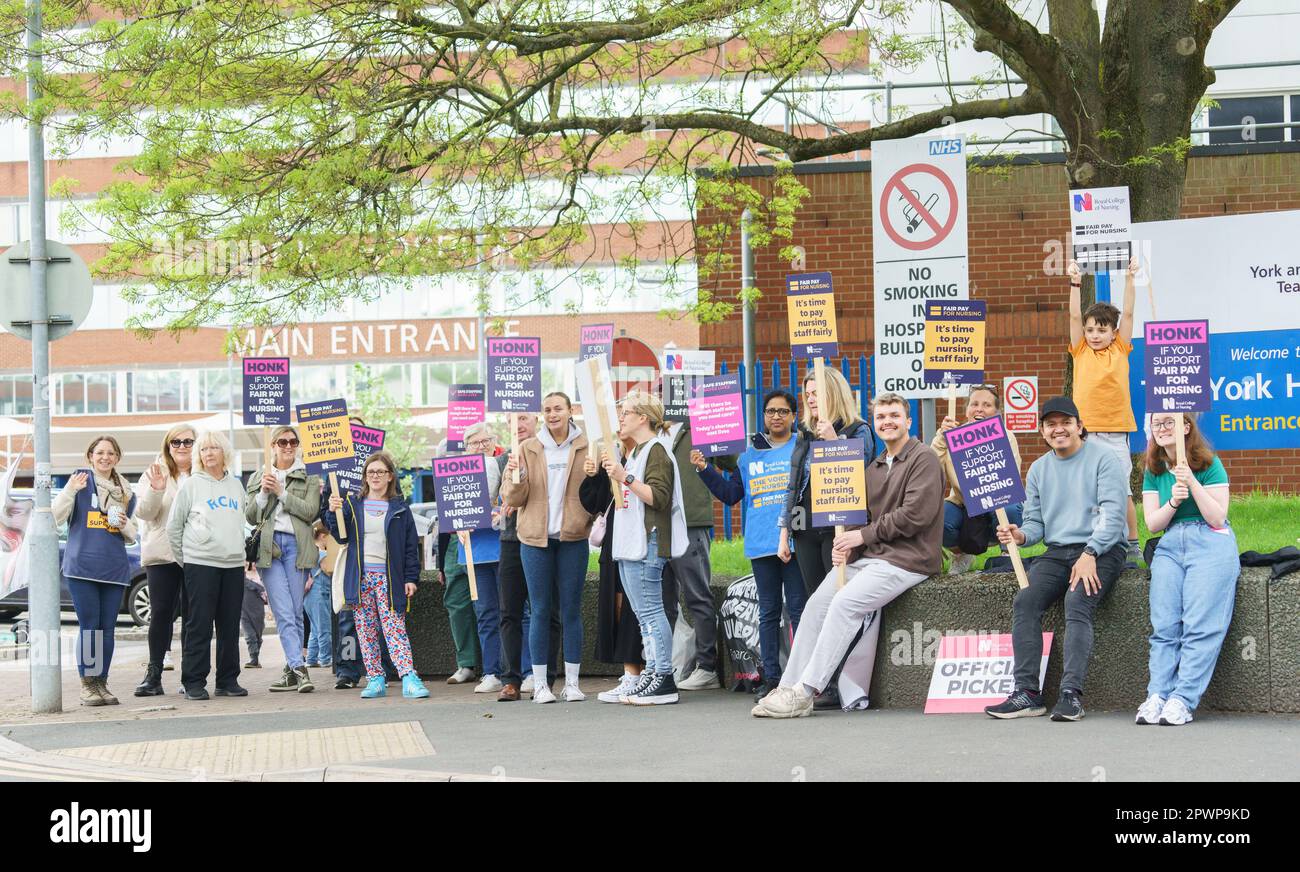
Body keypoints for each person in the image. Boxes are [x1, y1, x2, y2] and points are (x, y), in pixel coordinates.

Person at [753, 393, 942, 719]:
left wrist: (862, 536)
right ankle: (789, 685)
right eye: (881, 417)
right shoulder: (875, 467)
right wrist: (849, 546)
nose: (887, 422)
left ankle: (806, 691)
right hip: (873, 559)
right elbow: (860, 519)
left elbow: (915, 515)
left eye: (894, 415)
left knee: (844, 603)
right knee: (817, 604)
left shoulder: (923, 458)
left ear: (908, 421)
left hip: (909, 561)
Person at [986, 396, 1129, 722]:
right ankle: (1027, 694)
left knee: (1076, 601)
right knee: (1025, 602)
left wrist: (1091, 552)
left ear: (1080, 426)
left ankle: (1070, 695)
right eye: (1051, 424)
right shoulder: (1038, 469)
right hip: (1057, 551)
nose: (1059, 429)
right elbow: (1036, 524)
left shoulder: (1104, 459)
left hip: (1102, 549)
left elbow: (1113, 514)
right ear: (1042, 431)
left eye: (1066, 422)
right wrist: (1019, 535)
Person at [692, 389, 807, 696]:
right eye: (771, 411)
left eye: (783, 411)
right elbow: (731, 496)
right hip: (760, 543)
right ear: (764, 416)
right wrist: (705, 470)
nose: (777, 417)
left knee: (799, 610)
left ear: (794, 416)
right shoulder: (749, 454)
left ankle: (802, 678)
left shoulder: (803, 446)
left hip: (795, 542)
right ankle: (771, 677)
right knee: (767, 612)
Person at [1136, 413, 1237, 726]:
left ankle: (1183, 698)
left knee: (1200, 625)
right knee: (1164, 626)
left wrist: (1190, 481)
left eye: (1170, 422)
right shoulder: (1152, 469)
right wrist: (1173, 502)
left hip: (1210, 541)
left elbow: (1217, 517)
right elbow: (1152, 524)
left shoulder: (1209, 463)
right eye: (1157, 424)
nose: (1163, 429)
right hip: (1170, 544)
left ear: (1186, 427)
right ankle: (1158, 694)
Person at [502, 391, 598, 703]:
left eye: (558, 408)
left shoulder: (587, 447)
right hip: (534, 540)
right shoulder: (527, 448)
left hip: (573, 537)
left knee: (571, 610)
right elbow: (512, 500)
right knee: (540, 609)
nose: (553, 414)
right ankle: (540, 684)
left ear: (571, 411)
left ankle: (572, 683)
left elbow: (601, 495)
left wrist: (596, 474)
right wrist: (516, 477)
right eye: (547, 410)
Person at [603, 390, 688, 705]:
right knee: (642, 613)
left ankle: (663, 677)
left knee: (650, 610)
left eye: (625, 412)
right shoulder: (638, 451)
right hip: (632, 541)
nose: (620, 418)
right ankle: (653, 671)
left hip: (648, 540)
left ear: (643, 417)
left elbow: (659, 497)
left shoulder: (656, 450)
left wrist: (624, 478)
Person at [323, 451, 430, 699]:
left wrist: (411, 578)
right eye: (371, 472)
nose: (375, 476)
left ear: (390, 476)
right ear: (365, 477)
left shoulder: (400, 509)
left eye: (380, 472)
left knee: (394, 629)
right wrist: (332, 511)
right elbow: (341, 536)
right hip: (360, 578)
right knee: (365, 629)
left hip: (389, 579)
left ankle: (409, 677)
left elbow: (410, 547)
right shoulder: (353, 504)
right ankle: (375, 679)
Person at [55, 436, 139, 706]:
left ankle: (102, 683)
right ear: (90, 455)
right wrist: (69, 490)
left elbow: (132, 535)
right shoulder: (79, 480)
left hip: (114, 569)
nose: (105, 457)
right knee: (90, 628)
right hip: (82, 568)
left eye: (111, 453)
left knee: (108, 629)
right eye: (100, 452)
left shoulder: (126, 491)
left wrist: (125, 524)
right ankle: (87, 685)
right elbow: (55, 517)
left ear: (117, 457)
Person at [778, 367, 876, 596]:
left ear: (834, 393)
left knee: (839, 596)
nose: (810, 399)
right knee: (814, 599)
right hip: (804, 526)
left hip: (838, 527)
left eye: (816, 393)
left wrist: (834, 441)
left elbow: (857, 479)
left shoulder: (858, 430)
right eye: (807, 394)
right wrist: (784, 533)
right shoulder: (804, 431)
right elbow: (793, 485)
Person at [1069, 257, 1141, 563]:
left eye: (1101, 330)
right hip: (1087, 433)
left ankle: (1132, 543)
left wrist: (1128, 278)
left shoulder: (1120, 348)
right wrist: (1074, 282)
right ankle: (1091, 542)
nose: (1094, 335)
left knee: (1121, 488)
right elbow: (1073, 317)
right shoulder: (1081, 350)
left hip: (1115, 434)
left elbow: (1129, 312)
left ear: (1113, 332)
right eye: (1090, 330)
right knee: (1089, 490)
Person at [167, 430, 249, 700]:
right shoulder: (191, 485)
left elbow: (242, 522)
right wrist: (189, 559)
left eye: (214, 448)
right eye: (203, 449)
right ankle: (193, 682)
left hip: (233, 565)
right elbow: (174, 528)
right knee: (198, 625)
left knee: (229, 625)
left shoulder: (236, 486)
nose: (209, 453)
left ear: (224, 452)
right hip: (200, 565)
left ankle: (227, 680)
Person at [660, 403, 733, 691]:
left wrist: (717, 428)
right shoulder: (653, 429)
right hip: (657, 523)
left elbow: (731, 461)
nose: (660, 395)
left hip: (690, 523)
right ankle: (663, 666)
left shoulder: (700, 425)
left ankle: (707, 667)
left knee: (697, 596)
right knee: (662, 601)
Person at [246, 425, 322, 693]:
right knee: (283, 611)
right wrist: (264, 493)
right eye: (282, 442)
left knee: (295, 610)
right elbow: (251, 515)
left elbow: (311, 511)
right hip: (270, 548)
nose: (288, 446)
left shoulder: (309, 477)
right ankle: (301, 670)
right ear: (273, 445)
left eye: (292, 441)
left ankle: (291, 670)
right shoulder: (259, 476)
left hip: (298, 547)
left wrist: (282, 492)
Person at [495, 413, 558, 701]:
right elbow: (495, 500)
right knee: (509, 610)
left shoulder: (550, 453)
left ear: (536, 419)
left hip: (542, 540)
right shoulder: (502, 460)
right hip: (510, 540)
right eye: (511, 420)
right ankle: (511, 680)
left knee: (547, 610)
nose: (517, 425)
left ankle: (546, 675)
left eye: (523, 418)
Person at [930, 384, 1023, 574]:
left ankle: (1007, 554)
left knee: (1011, 507)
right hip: (962, 502)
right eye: (974, 404)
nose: (979, 409)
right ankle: (962, 554)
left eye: (987, 405)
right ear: (966, 410)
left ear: (997, 412)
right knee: (939, 518)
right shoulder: (952, 436)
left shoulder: (1007, 436)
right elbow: (931, 471)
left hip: (996, 499)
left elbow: (1009, 477)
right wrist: (941, 438)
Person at [580, 432, 644, 703]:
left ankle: (638, 670)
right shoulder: (611, 456)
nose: (620, 423)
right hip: (614, 540)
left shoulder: (648, 454)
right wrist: (594, 475)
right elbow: (593, 503)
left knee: (637, 606)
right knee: (617, 605)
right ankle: (629, 670)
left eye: (625, 415)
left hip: (640, 539)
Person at [132, 424, 194, 696]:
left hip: (196, 553)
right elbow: (143, 513)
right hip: (162, 553)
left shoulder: (204, 474)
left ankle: (191, 676)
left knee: (194, 616)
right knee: (160, 614)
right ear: (167, 446)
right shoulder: (155, 472)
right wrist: (156, 489)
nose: (181, 446)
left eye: (188, 442)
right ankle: (154, 675)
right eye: (175, 442)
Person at [460, 422, 506, 694]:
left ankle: (522, 670)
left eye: (485, 441)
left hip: (503, 547)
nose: (481, 446)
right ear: (466, 447)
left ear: (494, 441)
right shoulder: (457, 472)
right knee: (486, 613)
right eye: (475, 443)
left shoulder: (506, 465)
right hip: (474, 551)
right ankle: (491, 671)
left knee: (513, 611)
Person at [303, 523, 334, 669]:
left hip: (309, 596)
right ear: (323, 536)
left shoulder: (309, 551)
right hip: (320, 593)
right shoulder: (321, 553)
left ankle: (311, 658)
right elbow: (328, 570)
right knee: (324, 628)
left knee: (315, 629)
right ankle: (326, 658)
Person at [241, 565, 267, 668]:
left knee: (257, 636)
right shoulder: (241, 576)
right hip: (244, 610)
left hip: (258, 611)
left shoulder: (262, 575)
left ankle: (255, 658)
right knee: (250, 635)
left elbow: (265, 592)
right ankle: (253, 659)